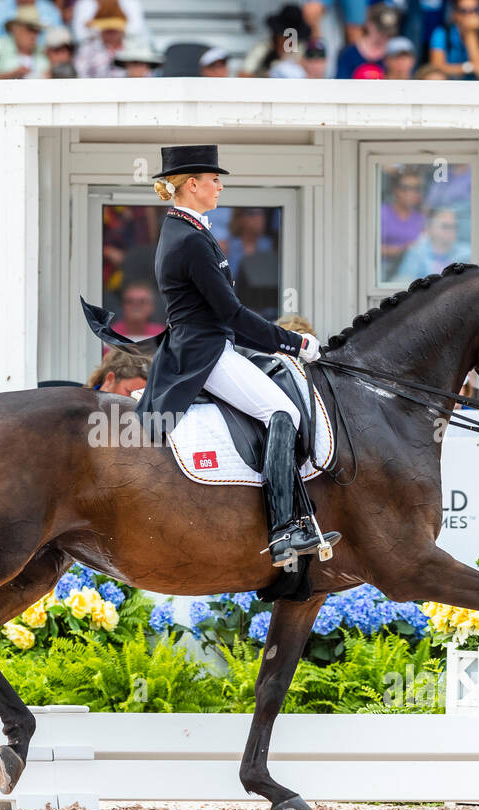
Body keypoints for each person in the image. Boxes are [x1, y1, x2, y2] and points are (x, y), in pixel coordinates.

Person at [92, 144, 336, 566]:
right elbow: (233, 315)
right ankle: (283, 530)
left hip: (207, 344)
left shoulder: (189, 230)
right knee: (284, 413)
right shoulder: (189, 239)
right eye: (214, 179)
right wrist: (296, 343)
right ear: (192, 184)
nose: (220, 186)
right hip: (204, 352)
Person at [393, 206, 471, 278]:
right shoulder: (417, 252)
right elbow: (404, 281)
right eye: (445, 226)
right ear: (429, 228)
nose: (451, 231)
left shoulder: (466, 253)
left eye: (454, 226)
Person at [428, 0, 479, 80]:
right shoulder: (442, 33)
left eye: (474, 10)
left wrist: (470, 34)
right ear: (454, 14)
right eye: (463, 11)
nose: (470, 15)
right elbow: (436, 67)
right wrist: (468, 68)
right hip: (448, 84)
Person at [241, 4, 311, 78]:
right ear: (277, 35)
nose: (290, 41)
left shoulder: (301, 49)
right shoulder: (264, 48)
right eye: (287, 37)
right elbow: (244, 74)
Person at [381, 168, 425, 280]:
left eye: (416, 189)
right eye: (406, 188)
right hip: (382, 270)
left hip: (413, 272)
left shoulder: (420, 218)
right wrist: (403, 249)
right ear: (395, 190)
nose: (411, 193)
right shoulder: (382, 213)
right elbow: (370, 248)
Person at [335, 4, 399, 79]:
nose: (385, 37)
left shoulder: (394, 53)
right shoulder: (349, 53)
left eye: (389, 34)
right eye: (381, 32)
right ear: (370, 25)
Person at [0, 6, 51, 80]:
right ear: (16, 30)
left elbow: (47, 75)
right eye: (30, 29)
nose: (34, 35)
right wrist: (11, 75)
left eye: (37, 31)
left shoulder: (41, 53)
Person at [75, 0, 129, 78]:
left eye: (114, 30)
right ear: (101, 31)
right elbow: (80, 74)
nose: (111, 34)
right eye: (107, 31)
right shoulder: (87, 50)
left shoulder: (133, 49)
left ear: (122, 30)